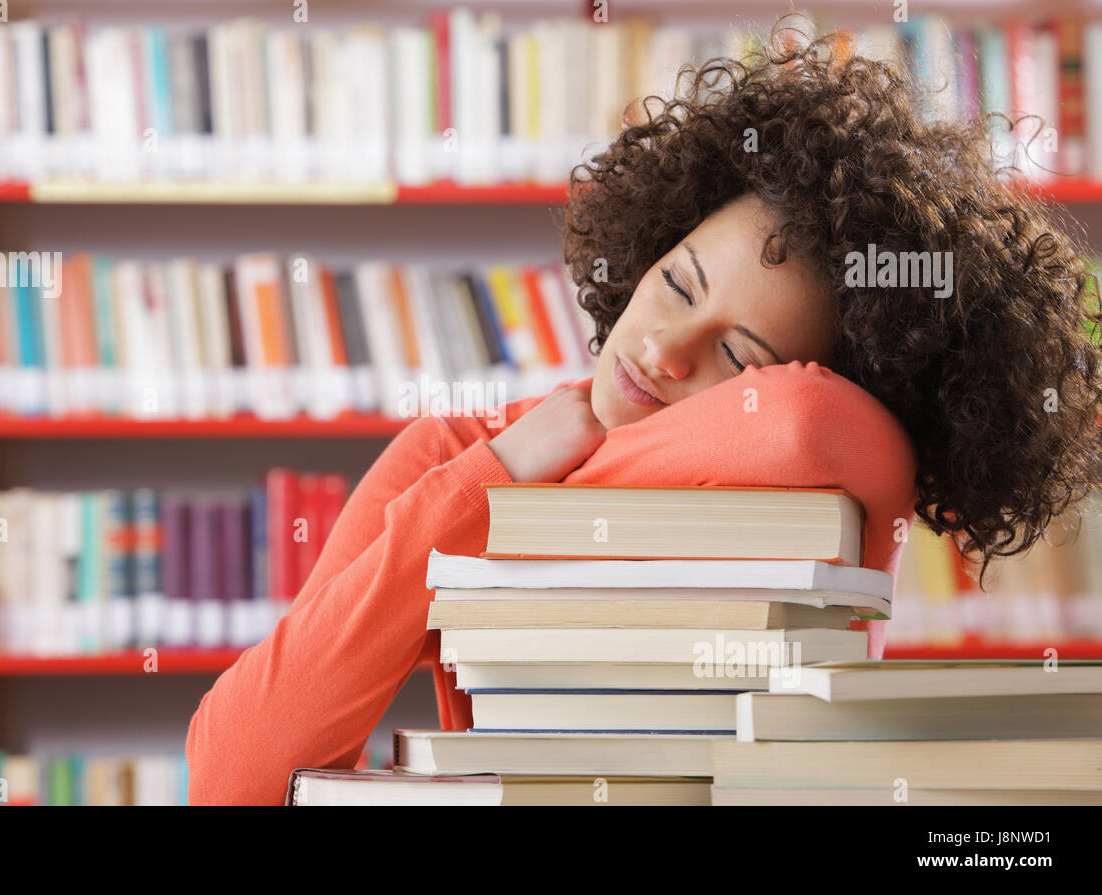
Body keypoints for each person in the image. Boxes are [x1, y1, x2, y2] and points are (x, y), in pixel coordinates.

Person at [186, 25, 1102, 804]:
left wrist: (531, 491)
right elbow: (233, 775)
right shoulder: (460, 455)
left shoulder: (847, 468)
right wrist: (483, 482)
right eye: (675, 282)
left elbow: (799, 427)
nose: (664, 351)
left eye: (739, 356)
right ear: (646, 247)